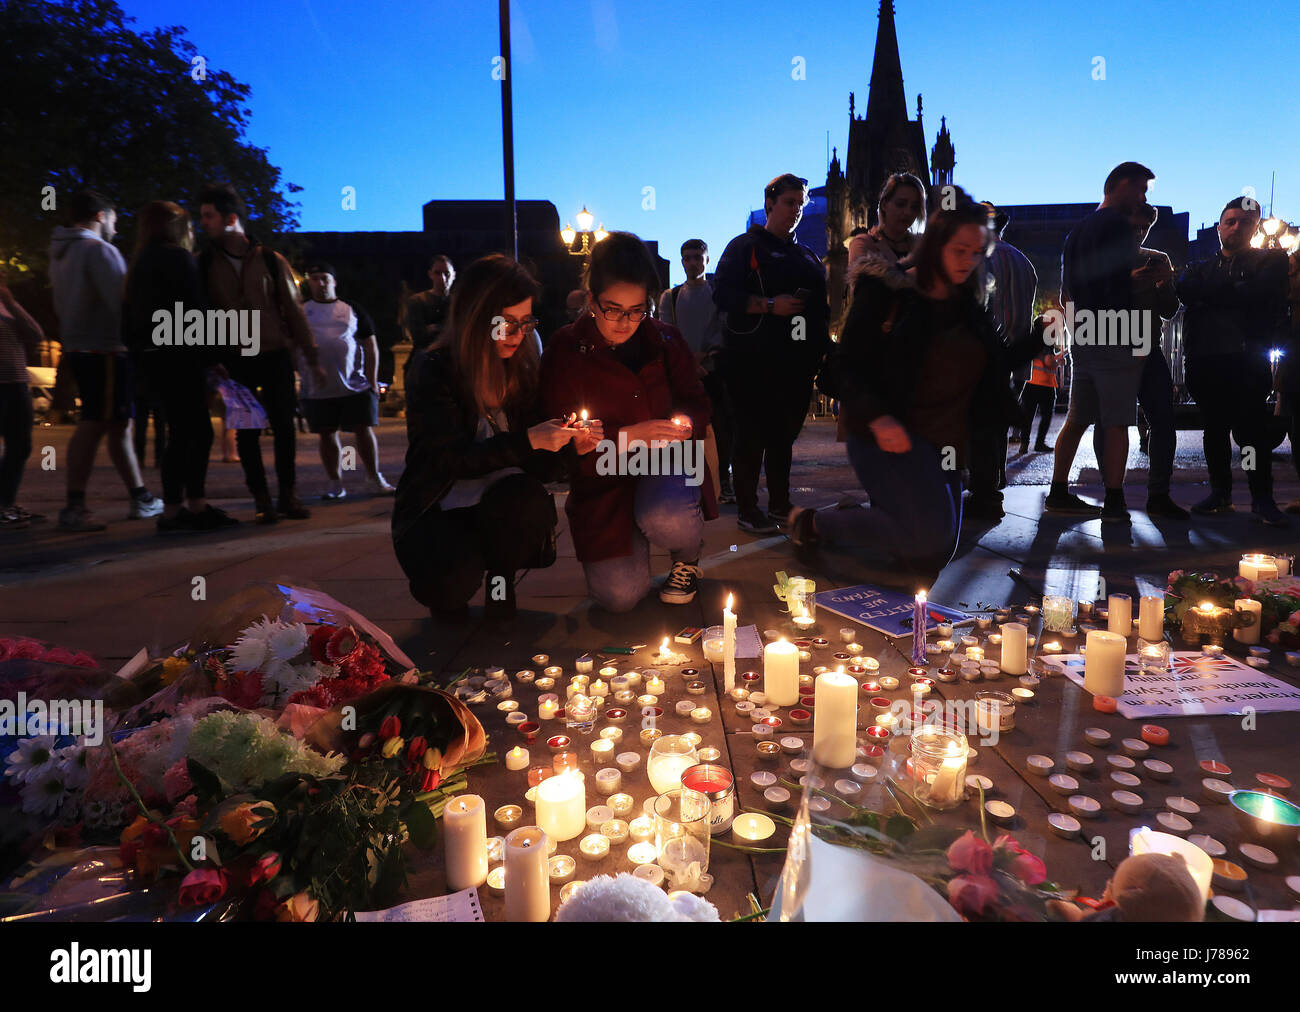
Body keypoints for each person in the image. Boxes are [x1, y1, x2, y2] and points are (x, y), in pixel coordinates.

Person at [788, 190, 1037, 585]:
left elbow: (993, 361)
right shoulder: (886, 290)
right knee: (925, 543)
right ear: (936, 244)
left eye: (977, 252)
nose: (969, 261)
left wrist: (1039, 340)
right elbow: (846, 365)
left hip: (944, 441)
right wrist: (880, 417)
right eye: (960, 250)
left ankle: (866, 517)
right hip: (886, 432)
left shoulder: (966, 300)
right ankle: (815, 523)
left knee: (939, 549)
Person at [393, 255, 596, 620]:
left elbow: (541, 468)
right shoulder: (435, 369)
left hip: (499, 506)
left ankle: (500, 583)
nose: (518, 335)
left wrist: (569, 448)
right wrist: (527, 441)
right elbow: (449, 458)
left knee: (526, 500)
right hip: (438, 508)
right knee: (447, 588)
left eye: (526, 323)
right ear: (476, 319)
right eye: (508, 324)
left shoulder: (520, 369)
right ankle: (447, 586)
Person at [540, 231, 716, 611]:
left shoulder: (665, 339)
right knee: (619, 598)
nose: (625, 322)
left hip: (665, 467)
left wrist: (685, 420)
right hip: (603, 480)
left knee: (666, 517)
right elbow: (554, 433)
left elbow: (697, 401)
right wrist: (619, 437)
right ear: (591, 300)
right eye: (613, 309)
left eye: (638, 309)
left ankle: (686, 556)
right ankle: (630, 540)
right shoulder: (566, 349)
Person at [197, 183, 321, 524]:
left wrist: (311, 355)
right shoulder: (204, 262)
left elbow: (293, 309)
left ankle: (288, 494)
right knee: (247, 428)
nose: (203, 222)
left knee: (284, 425)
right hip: (235, 357)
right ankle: (261, 498)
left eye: (209, 216)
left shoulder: (269, 259)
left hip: (275, 353)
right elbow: (202, 313)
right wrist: (212, 357)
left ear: (231, 218)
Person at [713, 174, 829, 533]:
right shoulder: (744, 246)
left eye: (801, 203)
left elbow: (820, 311)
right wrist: (767, 304)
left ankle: (780, 502)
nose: (796, 210)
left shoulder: (807, 255)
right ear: (770, 205)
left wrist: (818, 353)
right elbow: (722, 294)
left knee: (783, 436)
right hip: (750, 360)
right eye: (790, 202)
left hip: (793, 364)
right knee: (750, 436)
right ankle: (748, 508)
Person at [1045, 162, 1156, 524]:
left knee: (1077, 417)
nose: (1141, 197)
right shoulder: (1118, 227)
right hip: (1117, 333)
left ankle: (1058, 492)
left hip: (1084, 336)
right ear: (1121, 184)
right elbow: (1120, 286)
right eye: (1140, 189)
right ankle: (1114, 500)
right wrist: (1140, 283)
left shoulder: (1076, 233)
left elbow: (1066, 294)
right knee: (1117, 422)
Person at [48, 191, 163, 531]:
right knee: (97, 422)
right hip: (106, 348)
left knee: (115, 424)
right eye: (113, 219)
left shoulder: (61, 252)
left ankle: (139, 496)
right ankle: (75, 506)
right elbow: (122, 302)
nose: (115, 226)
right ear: (100, 216)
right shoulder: (99, 251)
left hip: (79, 346)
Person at [122, 200, 238, 533]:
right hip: (181, 357)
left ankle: (174, 509)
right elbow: (195, 312)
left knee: (180, 433)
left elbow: (130, 320)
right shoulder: (178, 259)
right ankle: (194, 505)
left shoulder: (139, 263)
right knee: (197, 432)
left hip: (153, 359)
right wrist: (213, 357)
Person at [1177, 196, 1291, 526]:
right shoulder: (1200, 267)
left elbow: (1258, 294)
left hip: (1246, 360)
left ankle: (1261, 497)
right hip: (1206, 360)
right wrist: (1232, 290)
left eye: (1244, 222)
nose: (1236, 227)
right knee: (1214, 431)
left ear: (1255, 228)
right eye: (1230, 221)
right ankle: (1220, 492)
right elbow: (1186, 291)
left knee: (1252, 434)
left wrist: (1211, 293)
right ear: (1219, 227)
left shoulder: (1271, 260)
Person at [1090, 201, 1187, 518]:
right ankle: (1112, 495)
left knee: (1164, 423)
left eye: (1144, 228)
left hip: (1149, 348)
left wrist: (1162, 283)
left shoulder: (1157, 259)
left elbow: (1170, 310)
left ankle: (1159, 495)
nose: (1139, 233)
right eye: (1133, 227)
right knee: (1110, 424)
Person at [298, 262, 394, 499]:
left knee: (363, 431)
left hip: (355, 385)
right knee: (327, 434)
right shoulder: (301, 311)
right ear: (309, 282)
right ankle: (335, 483)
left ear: (334, 282)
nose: (320, 283)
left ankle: (374, 477)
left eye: (325, 278)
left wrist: (372, 380)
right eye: (315, 278)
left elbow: (370, 345)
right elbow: (293, 344)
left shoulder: (351, 308)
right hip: (318, 388)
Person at [968, 207, 1038, 520]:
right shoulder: (1024, 262)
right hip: (1020, 356)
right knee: (998, 424)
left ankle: (986, 489)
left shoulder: (982, 260)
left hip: (988, 356)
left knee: (980, 425)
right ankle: (996, 480)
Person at [658, 239, 733, 502]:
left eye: (697, 258)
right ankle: (689, 481)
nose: (692, 263)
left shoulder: (717, 295)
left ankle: (721, 480)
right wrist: (690, 362)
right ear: (681, 261)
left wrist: (701, 360)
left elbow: (722, 332)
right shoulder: (671, 296)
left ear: (706, 261)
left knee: (720, 430)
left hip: (711, 373)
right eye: (687, 258)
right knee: (683, 430)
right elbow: (666, 334)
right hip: (683, 374)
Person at [0, 280, 45, 528]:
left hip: (17, 384)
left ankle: (6, 502)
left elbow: (36, 334)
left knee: (20, 445)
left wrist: (11, 303)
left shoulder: (8, 306)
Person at [844, 172, 926, 300]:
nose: (907, 212)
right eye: (900, 204)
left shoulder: (923, 247)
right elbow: (864, 295)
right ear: (884, 204)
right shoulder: (863, 243)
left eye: (914, 207)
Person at [1017, 316, 1065, 453]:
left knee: (1027, 416)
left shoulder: (1032, 341)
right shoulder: (1045, 342)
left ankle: (1024, 444)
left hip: (1031, 383)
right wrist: (1058, 361)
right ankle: (1039, 443)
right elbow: (1048, 361)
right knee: (1046, 416)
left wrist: (1058, 358)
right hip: (1045, 385)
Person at [404, 255, 455, 353]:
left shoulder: (458, 302)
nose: (442, 278)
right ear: (430, 274)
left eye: (447, 273)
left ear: (454, 275)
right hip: (426, 358)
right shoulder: (417, 301)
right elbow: (418, 337)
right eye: (437, 273)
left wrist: (434, 328)